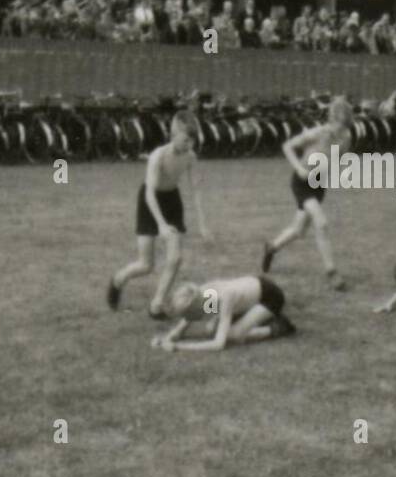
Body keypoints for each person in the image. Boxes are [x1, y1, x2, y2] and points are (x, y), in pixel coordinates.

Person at [108, 111, 208, 317]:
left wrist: (203, 223)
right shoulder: (157, 156)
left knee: (176, 258)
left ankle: (157, 304)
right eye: (186, 140)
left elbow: (196, 189)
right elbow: (149, 193)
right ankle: (118, 279)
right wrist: (161, 225)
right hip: (149, 202)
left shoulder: (191, 157)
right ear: (174, 135)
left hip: (172, 201)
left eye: (192, 141)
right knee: (146, 265)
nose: (190, 145)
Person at [262, 96, 354, 290]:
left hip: (318, 184)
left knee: (299, 230)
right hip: (302, 182)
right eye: (337, 122)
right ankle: (332, 272)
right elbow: (286, 146)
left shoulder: (346, 137)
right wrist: (299, 168)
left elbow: (340, 158)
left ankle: (272, 247)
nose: (340, 128)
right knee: (321, 222)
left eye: (344, 124)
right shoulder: (317, 133)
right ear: (331, 118)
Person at [152, 276, 296, 353]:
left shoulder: (223, 297)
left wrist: (179, 347)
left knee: (234, 335)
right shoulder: (202, 294)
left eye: (187, 313)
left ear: (195, 307)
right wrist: (170, 336)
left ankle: (279, 326)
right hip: (252, 292)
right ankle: (252, 316)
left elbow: (218, 344)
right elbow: (186, 320)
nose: (186, 318)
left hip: (270, 297)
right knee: (211, 328)